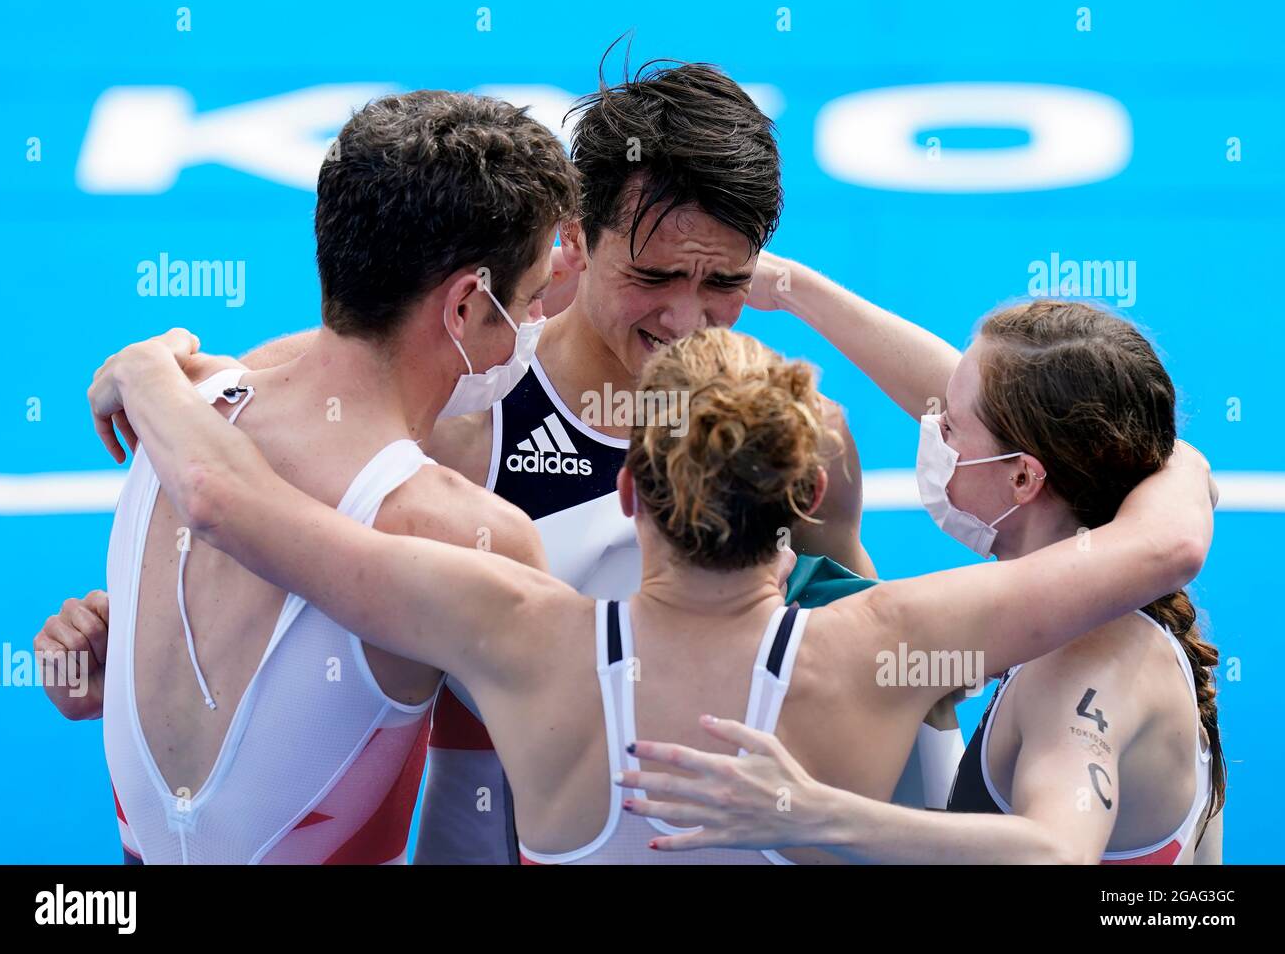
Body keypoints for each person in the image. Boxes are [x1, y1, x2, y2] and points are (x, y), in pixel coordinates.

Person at [40, 58, 960, 863]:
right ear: (577, 245)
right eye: (652, 279)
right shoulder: (454, 415)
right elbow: (254, 544)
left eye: (724, 282)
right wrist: (115, 633)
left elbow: (877, 657)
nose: (686, 318)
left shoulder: (784, 432)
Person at [82, 319, 1214, 864]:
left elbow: (238, 510)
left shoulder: (511, 630)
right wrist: (1162, 450)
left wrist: (148, 376)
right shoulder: (890, 638)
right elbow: (1158, 543)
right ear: (810, 487)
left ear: (626, 490)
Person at [33, 89, 576, 863]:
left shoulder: (169, 413)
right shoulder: (462, 535)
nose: (533, 330)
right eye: (527, 304)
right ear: (464, 307)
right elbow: (565, 825)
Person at [611, 275, 1227, 864]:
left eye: (950, 426)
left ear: (1023, 475)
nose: (931, 430)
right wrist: (791, 287)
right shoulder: (1092, 606)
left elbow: (1058, 854)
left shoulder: (1082, 663)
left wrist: (807, 810)